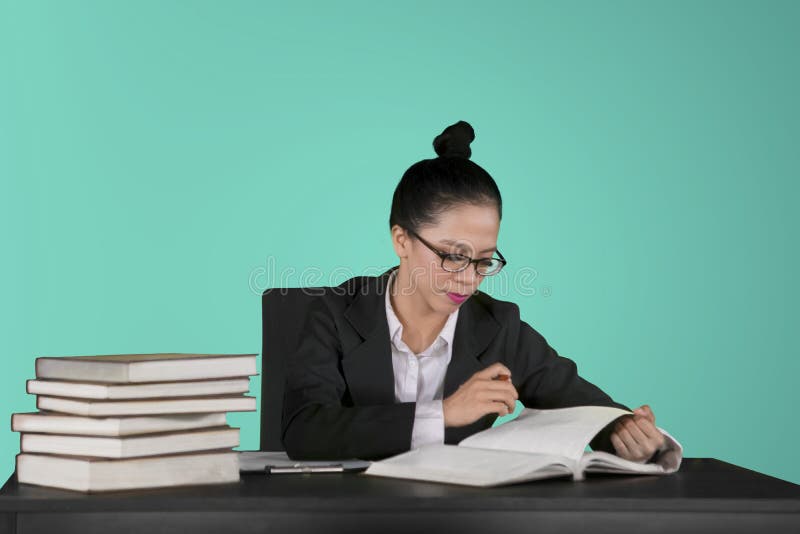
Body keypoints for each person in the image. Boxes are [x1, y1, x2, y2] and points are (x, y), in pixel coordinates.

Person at [282, 120, 682, 465]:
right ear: (401, 240)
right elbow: (304, 430)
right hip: (343, 514)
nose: (468, 278)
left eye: (484, 260)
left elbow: (575, 397)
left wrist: (622, 430)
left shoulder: (497, 325)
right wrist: (443, 414)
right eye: (453, 257)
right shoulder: (333, 312)